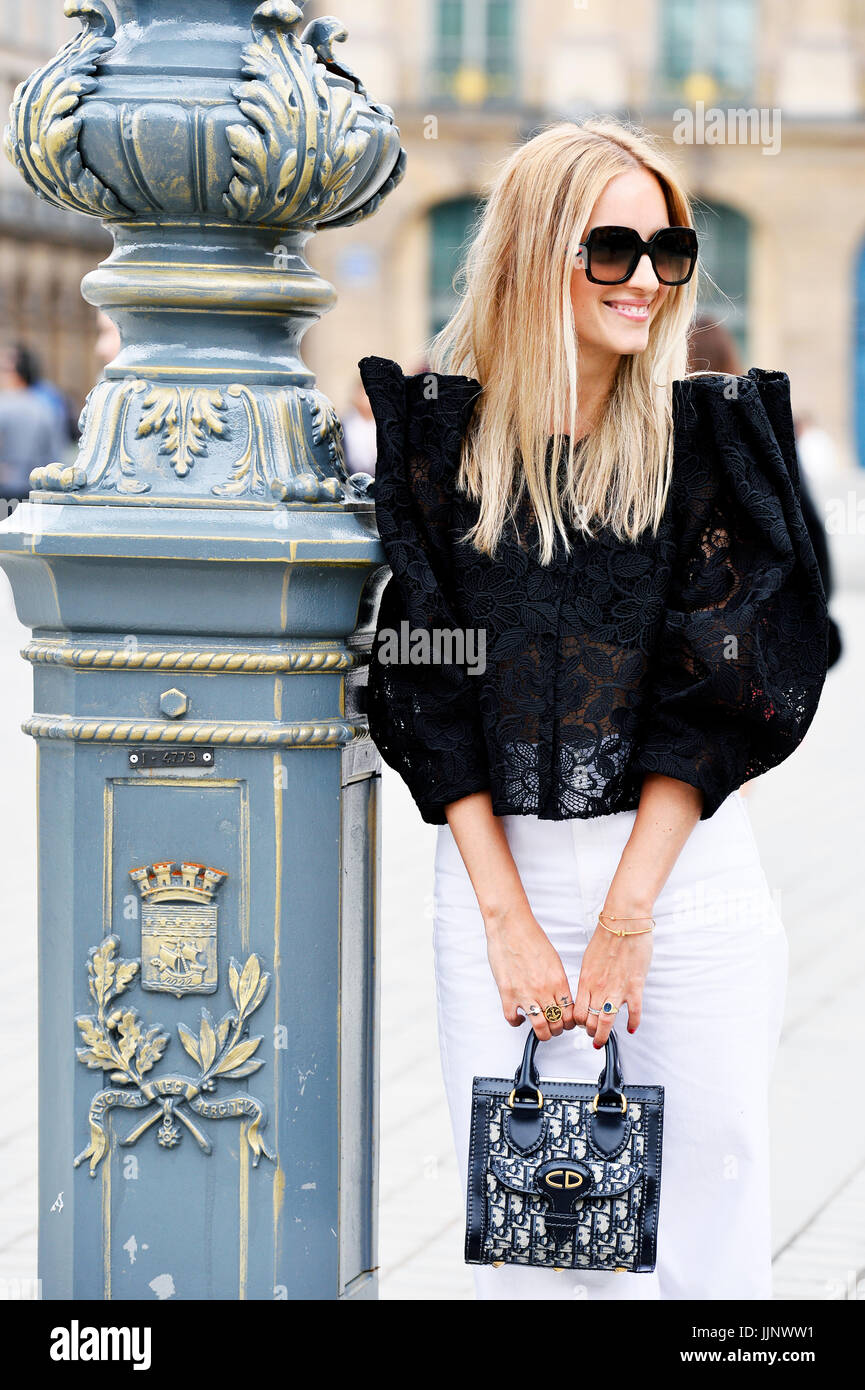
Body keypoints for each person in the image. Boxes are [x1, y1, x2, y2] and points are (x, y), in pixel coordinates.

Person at [358, 116, 830, 1301]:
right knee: (536, 1253)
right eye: (608, 248)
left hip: (685, 889)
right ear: (531, 251)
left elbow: (723, 688)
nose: (646, 280)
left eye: (665, 249)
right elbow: (426, 683)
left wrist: (625, 915)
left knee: (706, 1234)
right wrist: (507, 921)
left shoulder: (708, 437)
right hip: (496, 894)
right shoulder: (438, 444)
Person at [688, 314, 841, 668]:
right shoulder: (760, 437)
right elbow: (809, 537)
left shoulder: (655, 440)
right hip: (751, 651)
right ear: (730, 363)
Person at [0, 344, 68, 502]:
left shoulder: (4, 405)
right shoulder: (47, 406)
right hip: (35, 489)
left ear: (14, 372)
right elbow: (56, 452)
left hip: (5, 487)